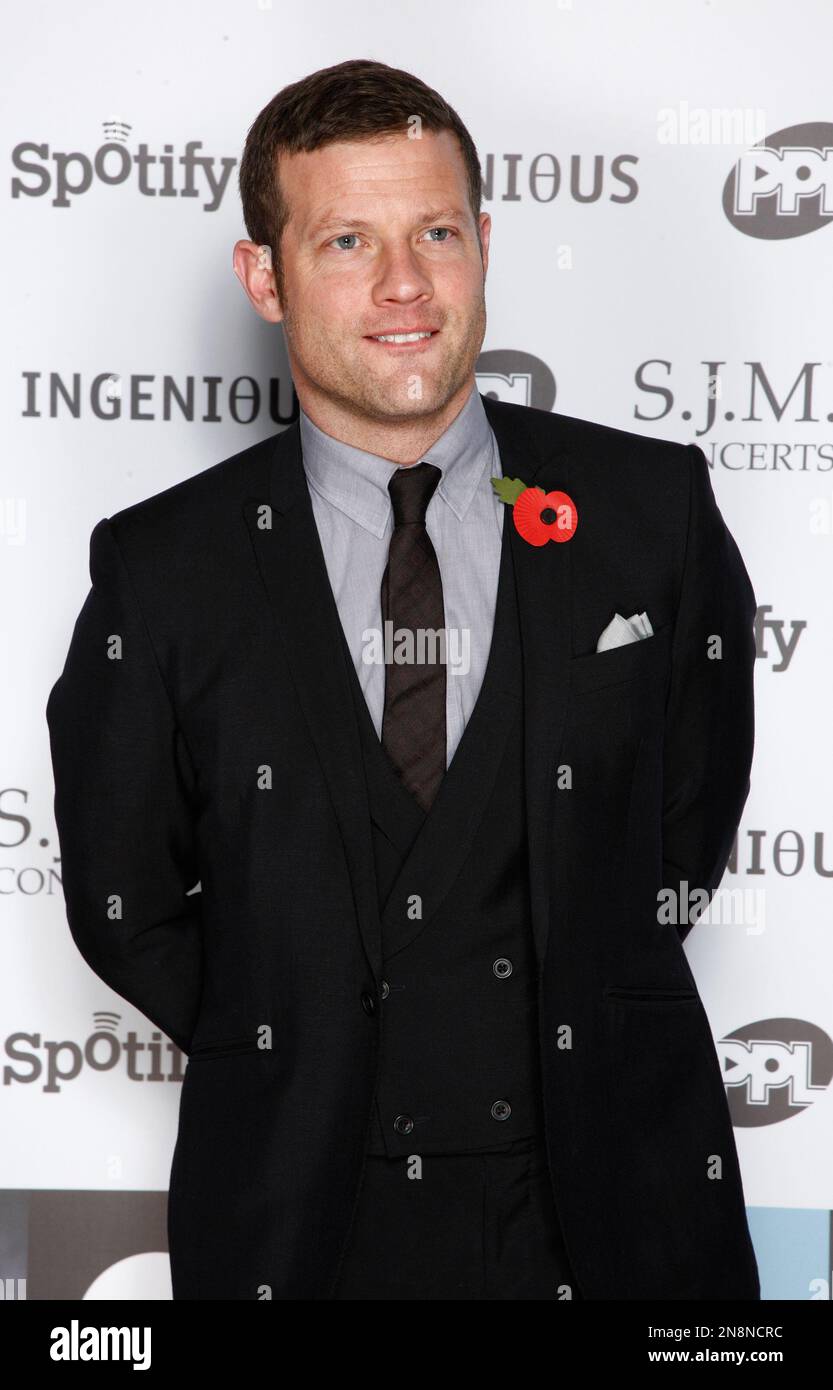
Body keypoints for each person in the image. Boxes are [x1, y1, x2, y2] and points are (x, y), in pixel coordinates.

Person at [46, 57, 760, 1300]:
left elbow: (685, 828)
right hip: (296, 1222)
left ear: (482, 241)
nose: (402, 285)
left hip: (623, 1217)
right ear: (263, 276)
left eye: (434, 231)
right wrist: (294, 1025)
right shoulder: (163, 568)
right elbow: (125, 898)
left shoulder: (653, 513)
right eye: (344, 241)